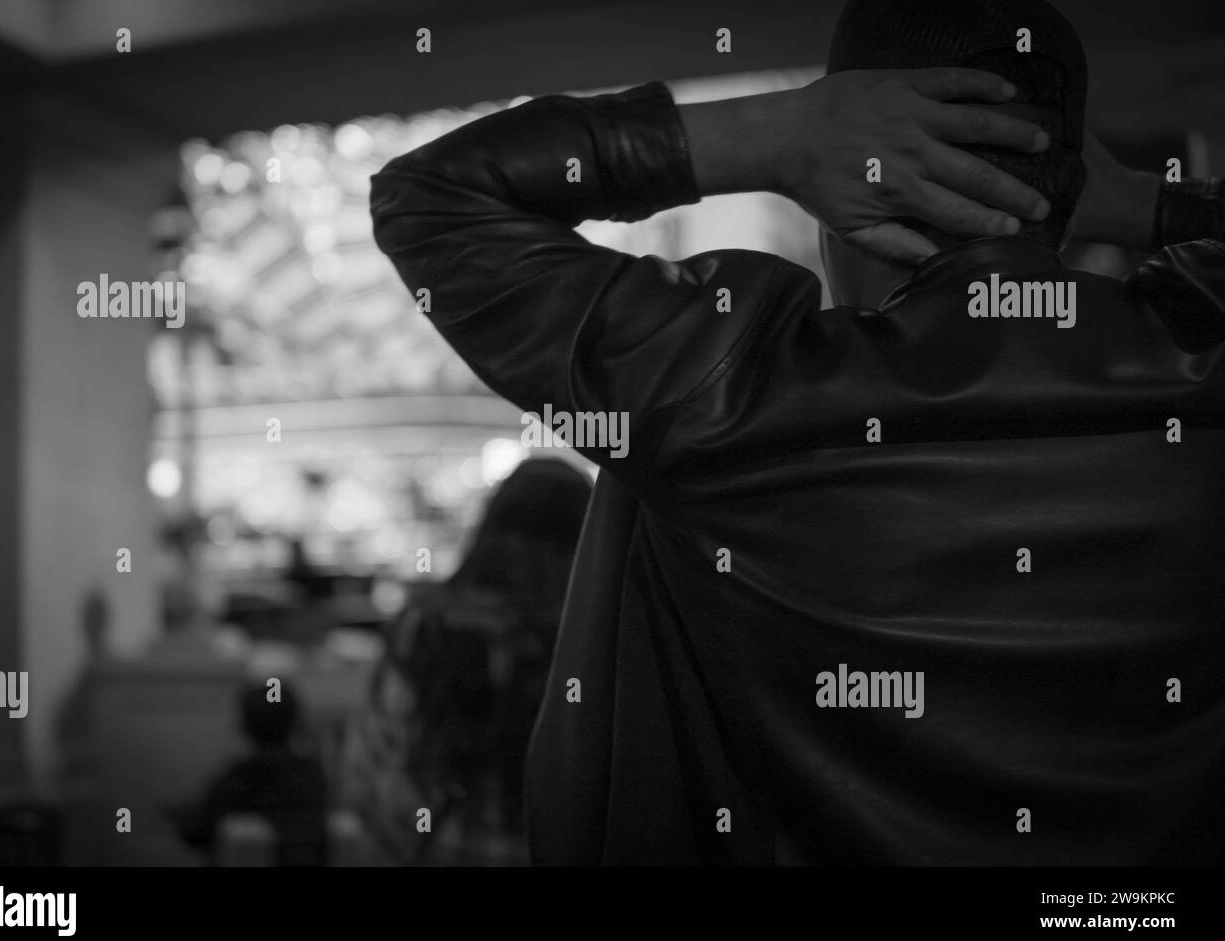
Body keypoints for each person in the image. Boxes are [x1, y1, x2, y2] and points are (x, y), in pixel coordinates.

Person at [371, 0, 1225, 865]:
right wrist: (1155, 206)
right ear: (1071, 205)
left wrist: (777, 135)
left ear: (843, 194)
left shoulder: (733, 386)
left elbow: (429, 197)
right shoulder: (1200, 352)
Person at [373, 458, 592, 859]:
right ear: (586, 538)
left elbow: (379, 764)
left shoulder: (422, 622)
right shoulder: (593, 634)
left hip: (439, 844)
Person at [174, 680, 327, 866]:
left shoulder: (241, 777)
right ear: (296, 721)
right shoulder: (313, 774)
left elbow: (196, 831)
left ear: (244, 726)